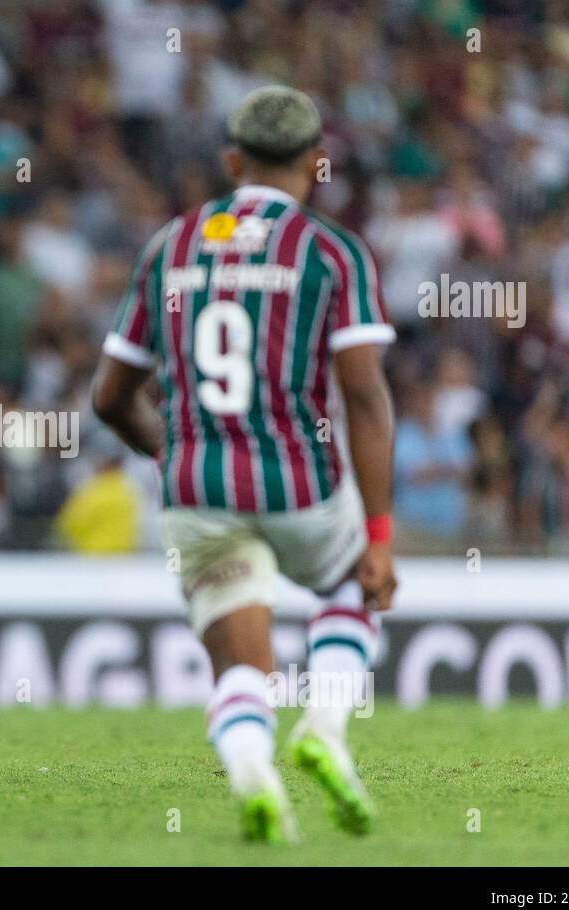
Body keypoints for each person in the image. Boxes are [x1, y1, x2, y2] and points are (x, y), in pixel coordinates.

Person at [92, 86, 397, 842]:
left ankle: (256, 776)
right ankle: (325, 726)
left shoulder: (173, 244)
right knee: (347, 586)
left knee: (241, 667)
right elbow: (365, 398)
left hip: (197, 490)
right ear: (316, 165)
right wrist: (382, 535)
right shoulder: (332, 251)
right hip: (299, 481)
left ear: (232, 161)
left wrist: (175, 447)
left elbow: (107, 397)